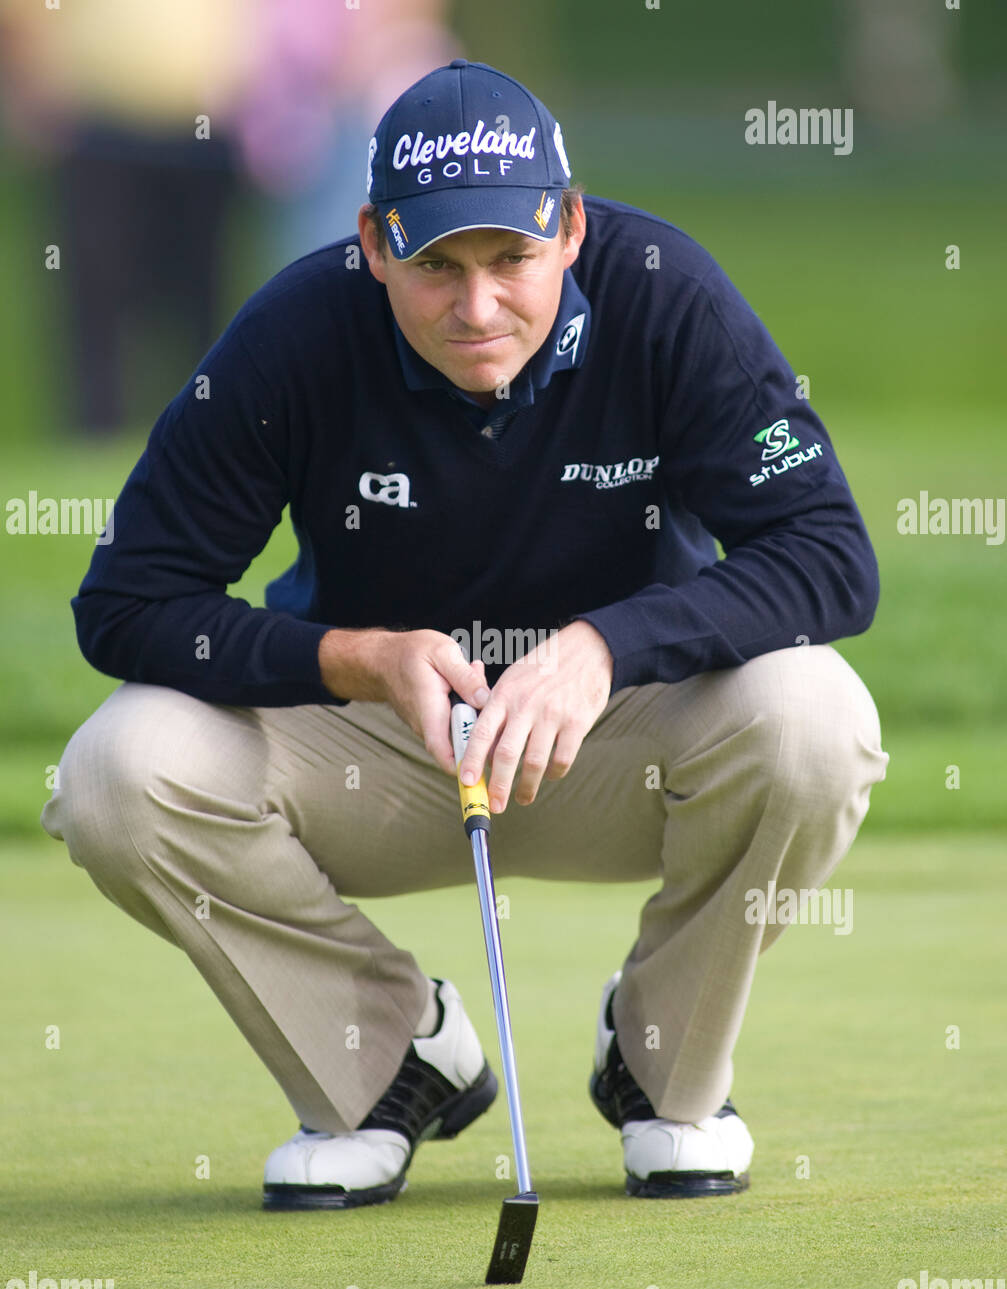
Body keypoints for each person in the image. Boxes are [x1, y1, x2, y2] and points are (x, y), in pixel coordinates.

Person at [41, 60, 889, 1210]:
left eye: (510, 261)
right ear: (373, 243)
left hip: (622, 737)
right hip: (375, 743)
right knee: (114, 772)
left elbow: (830, 556)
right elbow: (129, 604)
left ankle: (661, 1066)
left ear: (571, 229)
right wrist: (357, 656)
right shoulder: (295, 331)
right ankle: (388, 1062)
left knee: (816, 717)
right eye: (434, 265)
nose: (476, 308)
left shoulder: (662, 295)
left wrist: (603, 645)